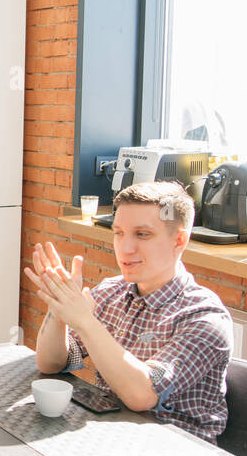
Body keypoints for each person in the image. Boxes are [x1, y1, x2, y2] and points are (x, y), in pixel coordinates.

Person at [25, 181, 233, 441]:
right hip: (113, 439)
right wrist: (60, 306)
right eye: (119, 233)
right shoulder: (112, 292)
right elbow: (51, 363)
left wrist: (85, 322)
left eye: (142, 234)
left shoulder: (205, 317)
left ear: (179, 240)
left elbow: (142, 394)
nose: (125, 248)